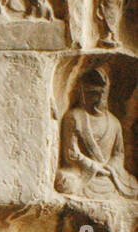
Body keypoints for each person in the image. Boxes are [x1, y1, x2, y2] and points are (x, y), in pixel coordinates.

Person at [55, 67, 138, 198]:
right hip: (83, 174)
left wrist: (110, 167)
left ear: (107, 93)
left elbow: (118, 154)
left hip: (109, 175)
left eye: (101, 93)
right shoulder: (74, 117)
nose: (98, 99)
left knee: (134, 185)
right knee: (65, 182)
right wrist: (94, 167)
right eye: (93, 93)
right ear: (83, 93)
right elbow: (71, 153)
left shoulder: (114, 122)